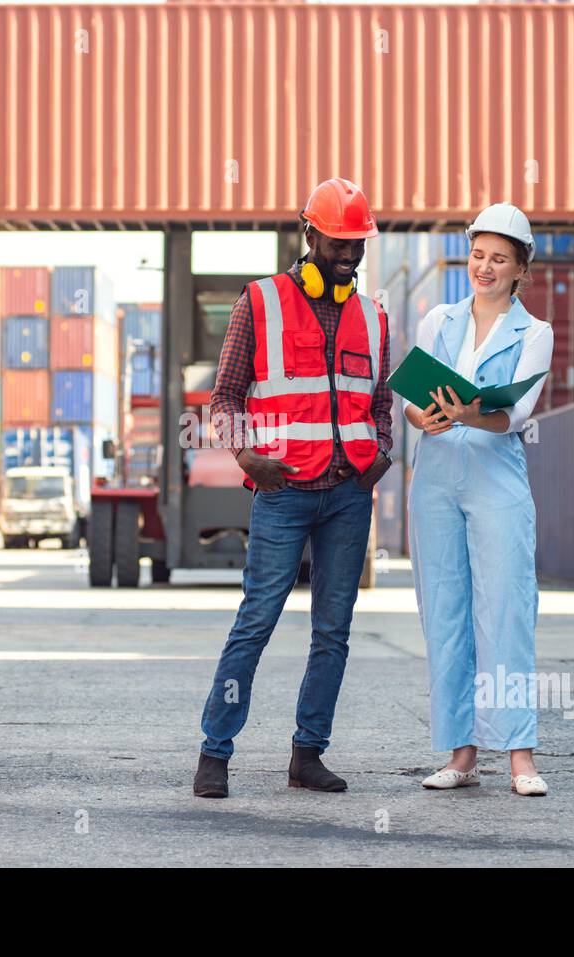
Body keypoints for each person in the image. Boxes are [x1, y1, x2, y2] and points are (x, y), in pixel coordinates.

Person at [193, 177, 394, 799]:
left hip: (348, 494)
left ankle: (308, 754)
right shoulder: (260, 302)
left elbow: (380, 402)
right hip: (282, 492)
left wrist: (381, 450)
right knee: (256, 619)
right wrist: (247, 458)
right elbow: (223, 397)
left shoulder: (374, 314)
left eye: (357, 244)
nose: (349, 256)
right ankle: (214, 754)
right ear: (309, 234)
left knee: (333, 629)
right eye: (338, 243)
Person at [404, 203, 554, 797]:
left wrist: (473, 412)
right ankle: (461, 753)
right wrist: (425, 416)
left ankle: (521, 755)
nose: (484, 267)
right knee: (444, 613)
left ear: (521, 269)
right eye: (477, 254)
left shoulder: (534, 333)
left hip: (496, 478)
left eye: (498, 259)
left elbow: (516, 414)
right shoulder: (437, 320)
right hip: (436, 476)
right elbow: (410, 402)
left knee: (507, 613)